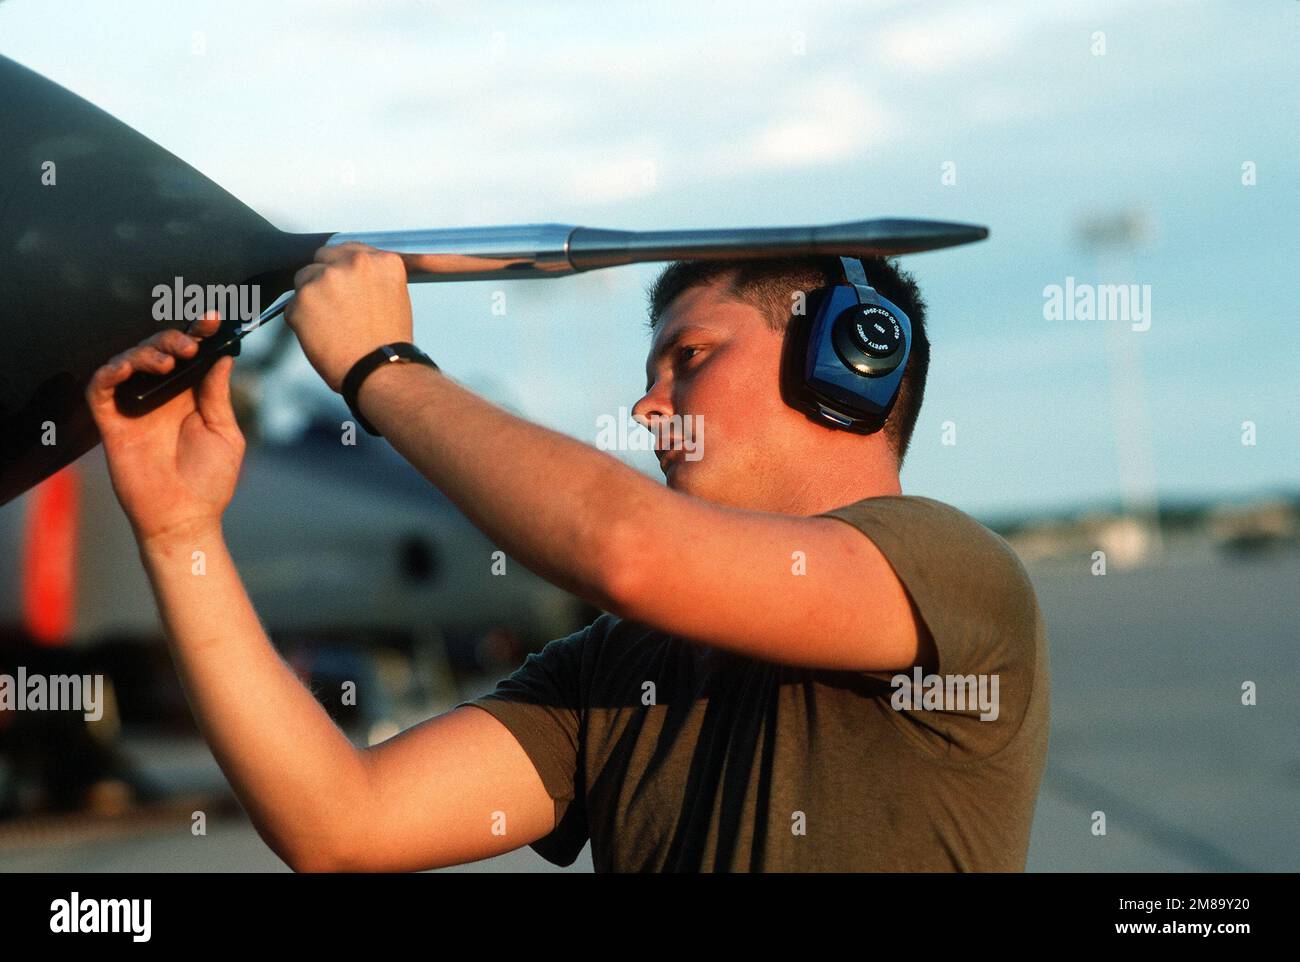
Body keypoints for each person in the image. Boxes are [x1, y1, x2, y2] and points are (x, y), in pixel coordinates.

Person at [86, 243, 1049, 872]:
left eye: (691, 357)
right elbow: (342, 822)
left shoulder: (951, 570)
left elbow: (623, 548)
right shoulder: (625, 668)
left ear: (847, 356)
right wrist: (181, 534)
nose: (648, 405)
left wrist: (380, 371)